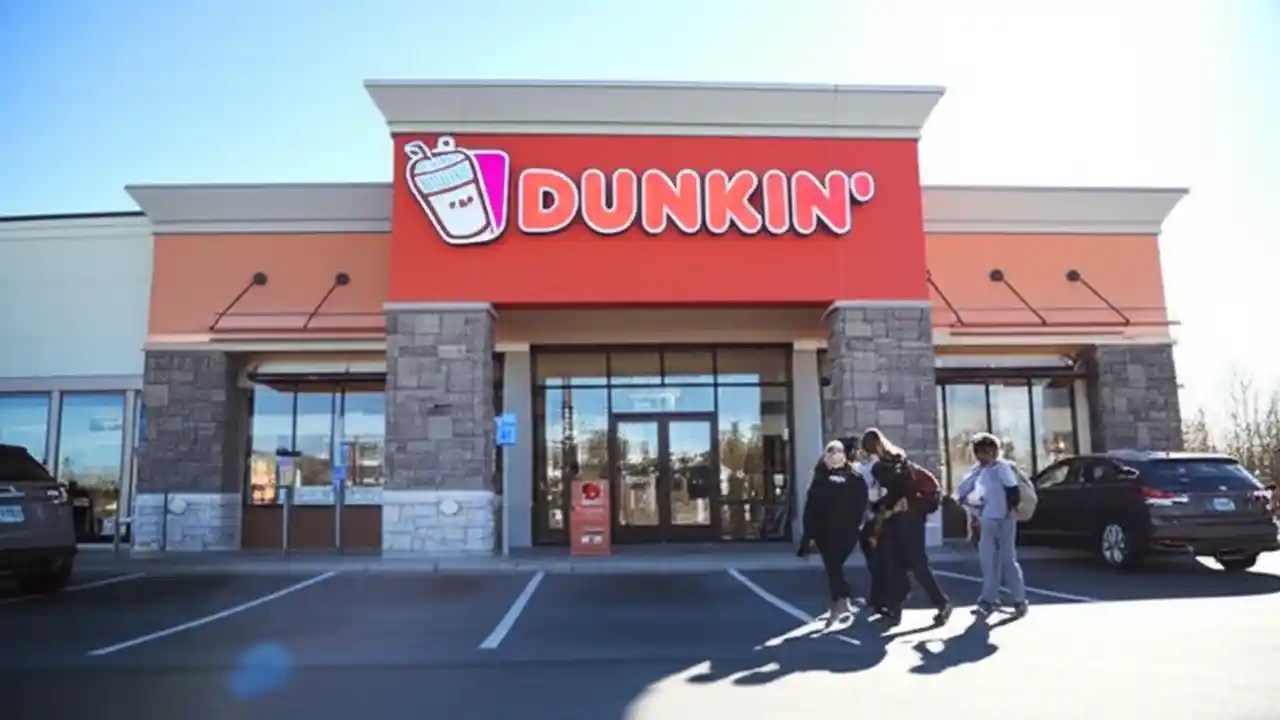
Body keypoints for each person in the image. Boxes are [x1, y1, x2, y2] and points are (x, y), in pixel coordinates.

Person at [862, 428, 951, 626]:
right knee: (905, 563)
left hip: (900, 518)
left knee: (901, 563)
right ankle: (908, 607)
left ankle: (927, 604)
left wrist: (879, 506)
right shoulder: (898, 459)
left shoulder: (881, 467)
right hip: (911, 519)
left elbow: (895, 492)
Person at [955, 432, 1029, 618]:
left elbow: (1013, 490)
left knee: (1008, 560)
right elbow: (966, 490)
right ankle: (988, 599)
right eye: (979, 452)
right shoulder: (979, 470)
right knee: (988, 561)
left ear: (994, 451)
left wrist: (1011, 508)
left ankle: (1019, 600)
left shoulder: (1002, 468)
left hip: (1004, 519)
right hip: (987, 519)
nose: (981, 456)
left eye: (986, 452)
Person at [798, 439, 869, 628]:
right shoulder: (819, 478)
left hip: (846, 531)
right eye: (829, 452)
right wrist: (809, 534)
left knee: (834, 565)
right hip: (824, 532)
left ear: (844, 456)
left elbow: (861, 502)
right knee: (832, 565)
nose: (833, 455)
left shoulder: (853, 478)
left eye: (837, 452)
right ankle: (840, 602)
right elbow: (811, 506)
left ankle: (841, 600)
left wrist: (856, 522)